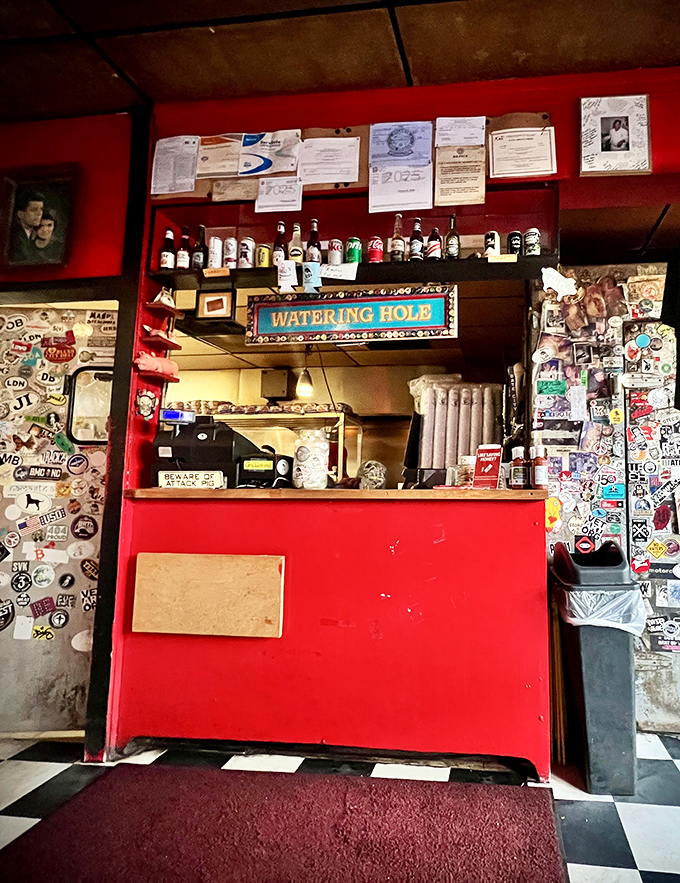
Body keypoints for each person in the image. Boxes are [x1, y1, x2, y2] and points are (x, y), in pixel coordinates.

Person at [9, 190, 44, 263]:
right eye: (33, 210)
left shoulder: (37, 233)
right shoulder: (13, 236)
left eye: (41, 209)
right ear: (20, 214)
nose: (39, 214)